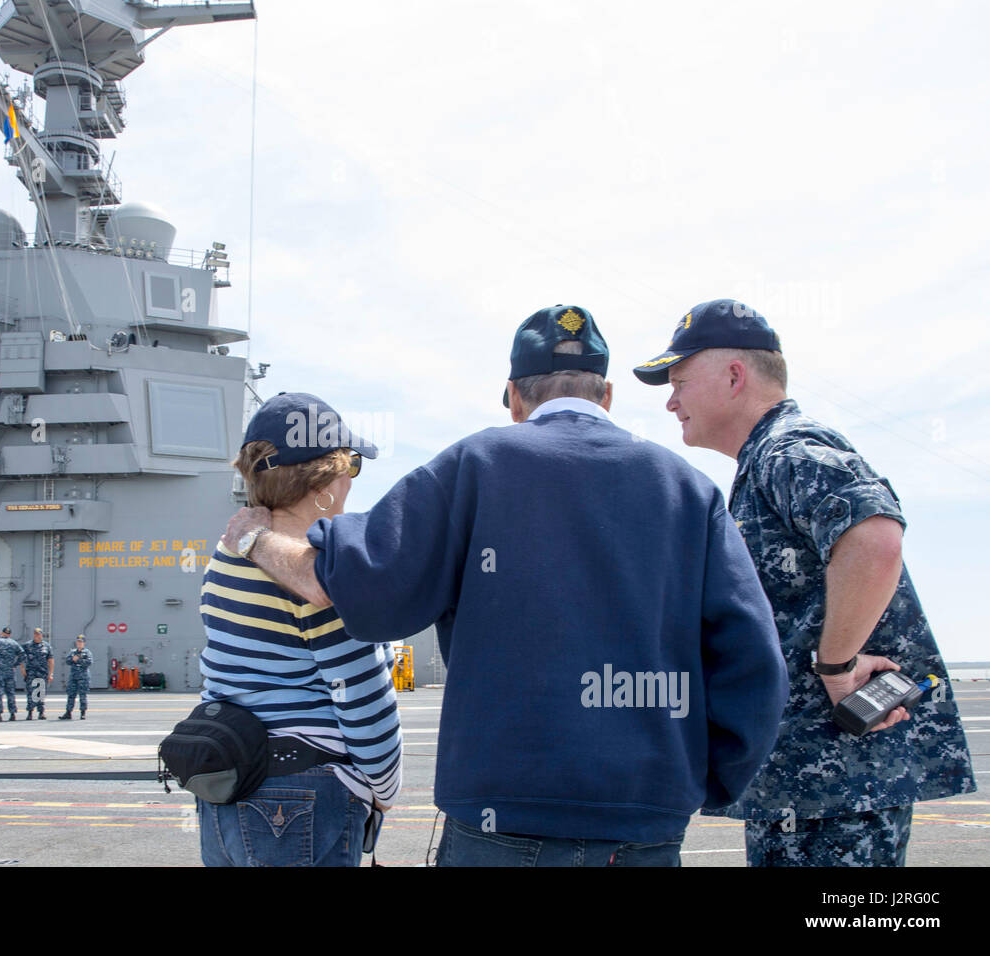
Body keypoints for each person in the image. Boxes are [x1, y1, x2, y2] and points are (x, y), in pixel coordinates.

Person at [223, 307, 789, 867]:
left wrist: (255, 538)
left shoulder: (474, 465)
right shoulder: (692, 492)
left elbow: (359, 586)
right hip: (645, 816)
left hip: (501, 817)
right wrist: (701, 780)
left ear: (515, 396)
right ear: (607, 395)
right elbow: (755, 664)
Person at [634, 298, 977, 866]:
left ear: (734, 376)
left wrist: (837, 667)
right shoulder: (766, 459)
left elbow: (874, 537)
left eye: (679, 381)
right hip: (810, 783)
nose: (671, 402)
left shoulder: (787, 449)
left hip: (837, 785)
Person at [199, 392, 403, 867]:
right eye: (350, 465)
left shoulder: (227, 555)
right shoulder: (318, 574)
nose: (352, 480)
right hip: (301, 797)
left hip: (226, 784)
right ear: (325, 480)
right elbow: (362, 697)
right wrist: (386, 789)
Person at [0, 628, 25, 722]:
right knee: (11, 693)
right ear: (9, 634)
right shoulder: (14, 643)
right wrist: (15, 664)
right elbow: (23, 655)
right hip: (10, 672)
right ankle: (12, 714)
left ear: (2, 633)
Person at [21, 628, 54, 720]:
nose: (37, 636)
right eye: (35, 634)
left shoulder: (47, 646)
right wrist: (22, 669)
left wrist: (51, 674)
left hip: (42, 673)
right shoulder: (27, 645)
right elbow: (21, 657)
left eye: (39, 634)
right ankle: (30, 712)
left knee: (41, 693)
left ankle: (41, 712)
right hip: (31, 673)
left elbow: (51, 660)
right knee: (30, 692)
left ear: (41, 635)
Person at [60, 637, 92, 720]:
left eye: (81, 642)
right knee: (71, 695)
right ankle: (68, 712)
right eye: (78, 642)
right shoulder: (72, 652)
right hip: (73, 677)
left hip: (83, 677)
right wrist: (72, 659)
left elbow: (89, 662)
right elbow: (67, 661)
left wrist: (78, 660)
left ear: (84, 643)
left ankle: (83, 713)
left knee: (82, 695)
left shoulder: (87, 652)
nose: (79, 643)